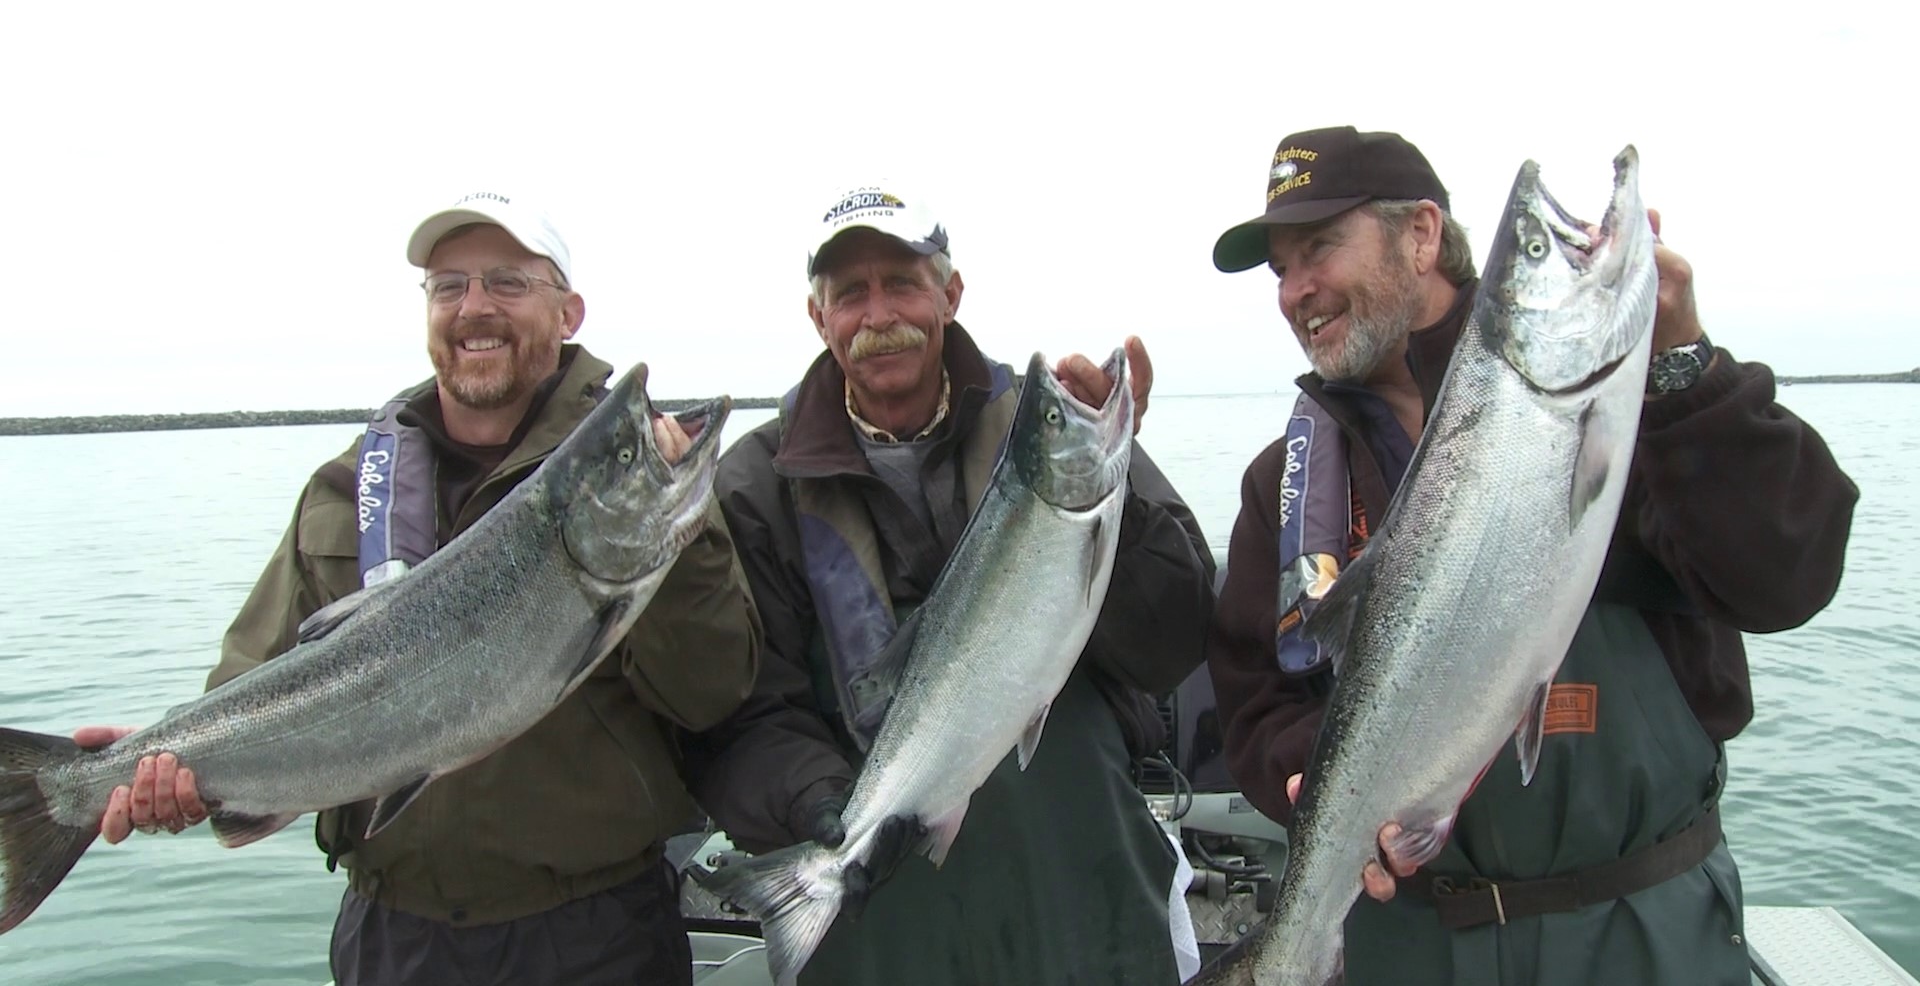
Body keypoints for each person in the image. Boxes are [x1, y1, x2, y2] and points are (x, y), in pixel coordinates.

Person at [1204, 126, 1858, 985]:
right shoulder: (1281, 484)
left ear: (1423, 234)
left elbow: (1789, 577)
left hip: (1642, 928)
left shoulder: (1637, 410)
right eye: (1281, 269)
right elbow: (1257, 701)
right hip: (1411, 940)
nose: (1296, 291)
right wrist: (1305, 777)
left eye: (1320, 247)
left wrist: (1683, 370)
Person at [74, 191, 763, 986]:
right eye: (449, 286)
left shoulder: (637, 470)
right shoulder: (346, 491)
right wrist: (166, 763)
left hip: (597, 933)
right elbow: (248, 692)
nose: (475, 308)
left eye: (507, 281)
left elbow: (713, 695)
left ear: (568, 311)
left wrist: (670, 531)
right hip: (392, 938)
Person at [680, 184, 1218, 985]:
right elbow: (744, 713)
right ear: (817, 316)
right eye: (851, 294)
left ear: (950, 295)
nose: (878, 314)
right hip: (883, 908)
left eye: (902, 283)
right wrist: (824, 807)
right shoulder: (756, 485)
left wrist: (1123, 504)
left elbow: (1172, 641)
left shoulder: (1053, 428)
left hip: (1083, 875)